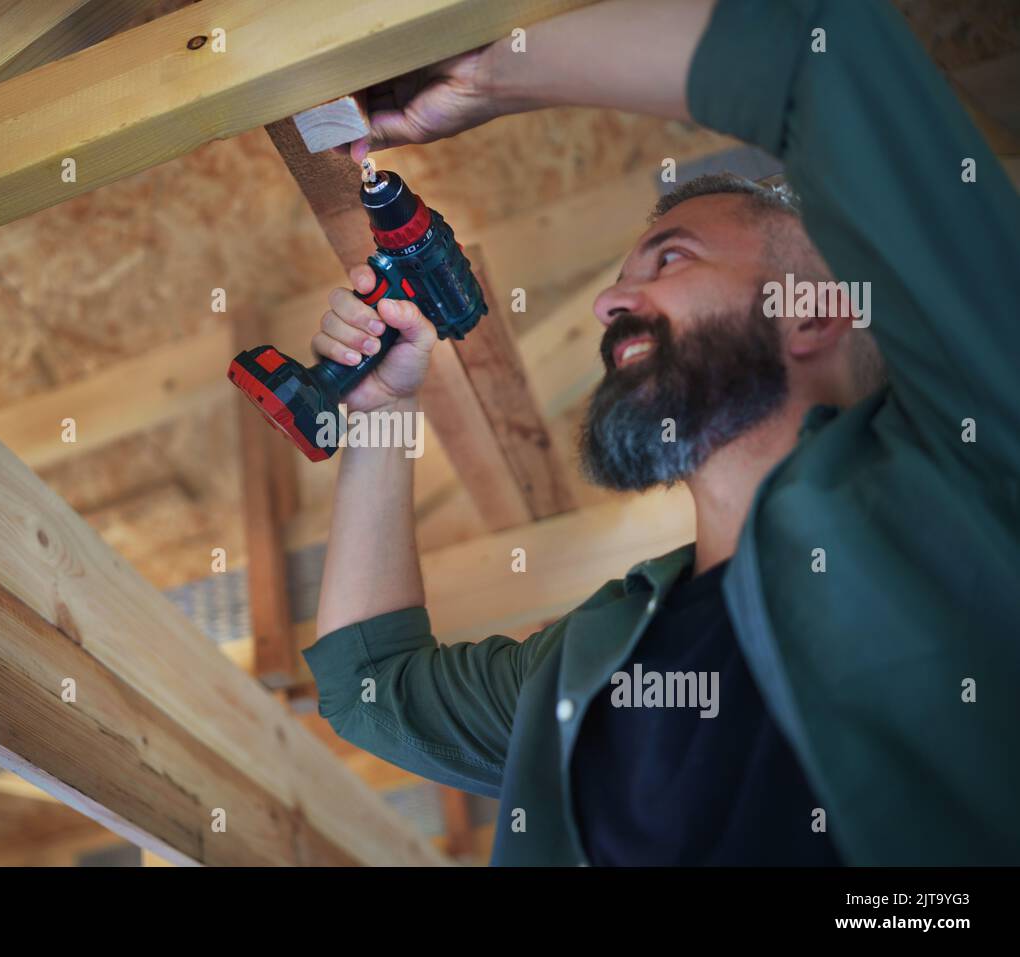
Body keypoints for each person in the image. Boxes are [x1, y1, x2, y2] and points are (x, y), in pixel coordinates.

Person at [301, 0, 1020, 865]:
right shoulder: (589, 666)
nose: (606, 302)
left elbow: (821, 51)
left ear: (817, 312)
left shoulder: (975, 477)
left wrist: (492, 72)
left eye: (670, 258)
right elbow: (372, 691)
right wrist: (383, 414)